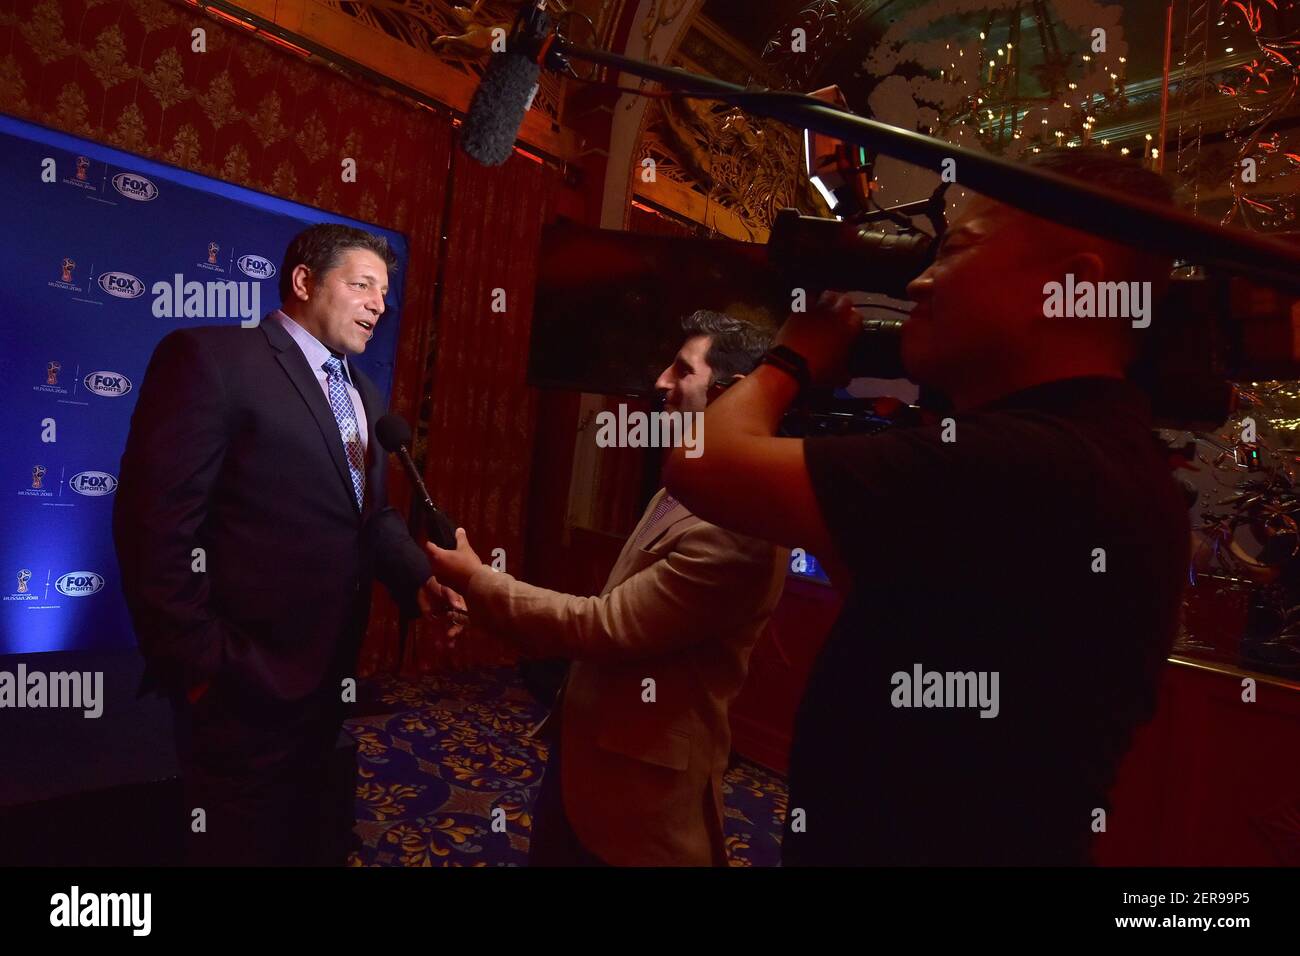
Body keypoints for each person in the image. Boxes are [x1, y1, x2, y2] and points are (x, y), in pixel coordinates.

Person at [663, 149, 1191, 865]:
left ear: (1071, 285)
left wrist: (791, 360)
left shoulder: (1033, 461)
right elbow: (891, 600)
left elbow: (703, 465)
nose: (919, 280)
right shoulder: (1096, 451)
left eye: (955, 252)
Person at [113, 223, 449, 866]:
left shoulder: (364, 394)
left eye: (385, 291)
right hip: (238, 685)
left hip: (326, 682)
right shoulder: (211, 359)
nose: (381, 303)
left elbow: (369, 519)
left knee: (302, 840)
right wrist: (202, 664)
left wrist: (417, 578)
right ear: (303, 282)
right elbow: (153, 525)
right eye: (362, 285)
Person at [426, 311, 789, 866]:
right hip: (590, 763)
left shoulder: (740, 523)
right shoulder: (690, 481)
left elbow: (605, 625)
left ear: (731, 392)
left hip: (640, 802)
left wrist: (477, 580)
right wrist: (480, 605)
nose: (661, 382)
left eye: (682, 369)